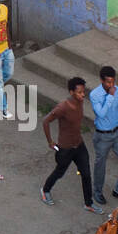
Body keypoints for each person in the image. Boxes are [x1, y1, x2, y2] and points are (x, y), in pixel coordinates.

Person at [41, 76, 103, 214]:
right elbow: (45, 121)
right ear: (71, 92)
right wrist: (50, 141)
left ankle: (89, 203)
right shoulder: (62, 107)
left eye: (83, 92)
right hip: (65, 148)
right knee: (60, 172)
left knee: (86, 174)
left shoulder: (79, 102)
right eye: (79, 92)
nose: (83, 95)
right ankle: (45, 190)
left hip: (79, 145)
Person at [90, 65, 118, 206]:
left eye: (113, 81)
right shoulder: (95, 95)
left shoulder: (116, 90)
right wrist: (110, 97)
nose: (111, 85)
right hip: (103, 135)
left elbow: (116, 110)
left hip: (117, 131)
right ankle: (97, 192)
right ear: (101, 80)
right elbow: (100, 113)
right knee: (100, 165)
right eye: (108, 82)